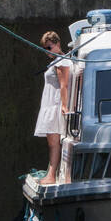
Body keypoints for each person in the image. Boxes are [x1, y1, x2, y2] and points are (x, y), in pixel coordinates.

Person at [33, 31, 72, 185]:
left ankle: (51, 175)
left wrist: (64, 105)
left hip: (55, 104)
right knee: (52, 141)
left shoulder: (62, 62)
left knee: (54, 141)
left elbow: (64, 85)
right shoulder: (57, 61)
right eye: (44, 48)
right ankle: (52, 172)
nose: (46, 51)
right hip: (50, 103)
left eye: (48, 47)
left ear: (57, 44)